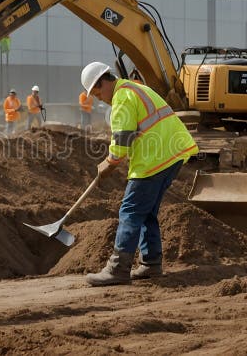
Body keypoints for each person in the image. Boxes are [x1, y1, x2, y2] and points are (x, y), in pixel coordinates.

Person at [80, 62, 199, 286]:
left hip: (153, 159)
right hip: (172, 154)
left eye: (96, 93)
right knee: (147, 211)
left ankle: (118, 268)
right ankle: (151, 264)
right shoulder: (135, 88)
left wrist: (109, 161)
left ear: (102, 82)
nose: (98, 98)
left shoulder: (122, 98)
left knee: (130, 211)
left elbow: (122, 139)